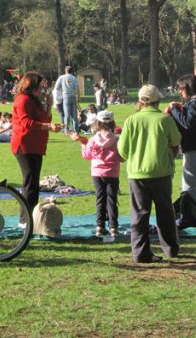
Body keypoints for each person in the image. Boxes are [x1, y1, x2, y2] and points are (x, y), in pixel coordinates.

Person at [117, 84, 181, 264]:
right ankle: (171, 249)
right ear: (158, 100)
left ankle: (140, 252)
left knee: (139, 214)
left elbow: (122, 151)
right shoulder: (165, 119)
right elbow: (176, 141)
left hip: (138, 174)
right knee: (165, 212)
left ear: (140, 101)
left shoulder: (131, 120)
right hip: (161, 172)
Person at [10, 72, 61, 216]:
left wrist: (49, 106)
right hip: (25, 146)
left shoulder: (34, 100)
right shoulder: (22, 100)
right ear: (31, 85)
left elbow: (45, 118)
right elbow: (27, 123)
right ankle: (25, 219)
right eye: (39, 86)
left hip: (35, 146)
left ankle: (30, 216)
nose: (41, 89)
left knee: (33, 183)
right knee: (30, 183)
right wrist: (48, 126)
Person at [168, 74, 196, 228]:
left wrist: (174, 110)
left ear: (188, 88)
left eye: (181, 88)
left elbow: (187, 123)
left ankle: (192, 220)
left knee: (188, 188)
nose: (180, 92)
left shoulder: (195, 103)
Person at [72, 109, 121, 238]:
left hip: (97, 173)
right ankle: (113, 227)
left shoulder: (93, 140)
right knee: (112, 200)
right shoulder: (116, 140)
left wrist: (83, 144)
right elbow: (122, 157)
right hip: (112, 173)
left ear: (98, 123)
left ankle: (99, 226)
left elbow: (87, 156)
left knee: (100, 198)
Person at [53, 66, 79, 132]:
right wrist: (79, 97)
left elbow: (57, 87)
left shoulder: (61, 77)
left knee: (66, 114)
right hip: (73, 96)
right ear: (72, 71)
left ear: (65, 71)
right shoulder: (74, 78)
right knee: (74, 115)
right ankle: (75, 129)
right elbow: (77, 88)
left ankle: (66, 129)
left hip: (66, 96)